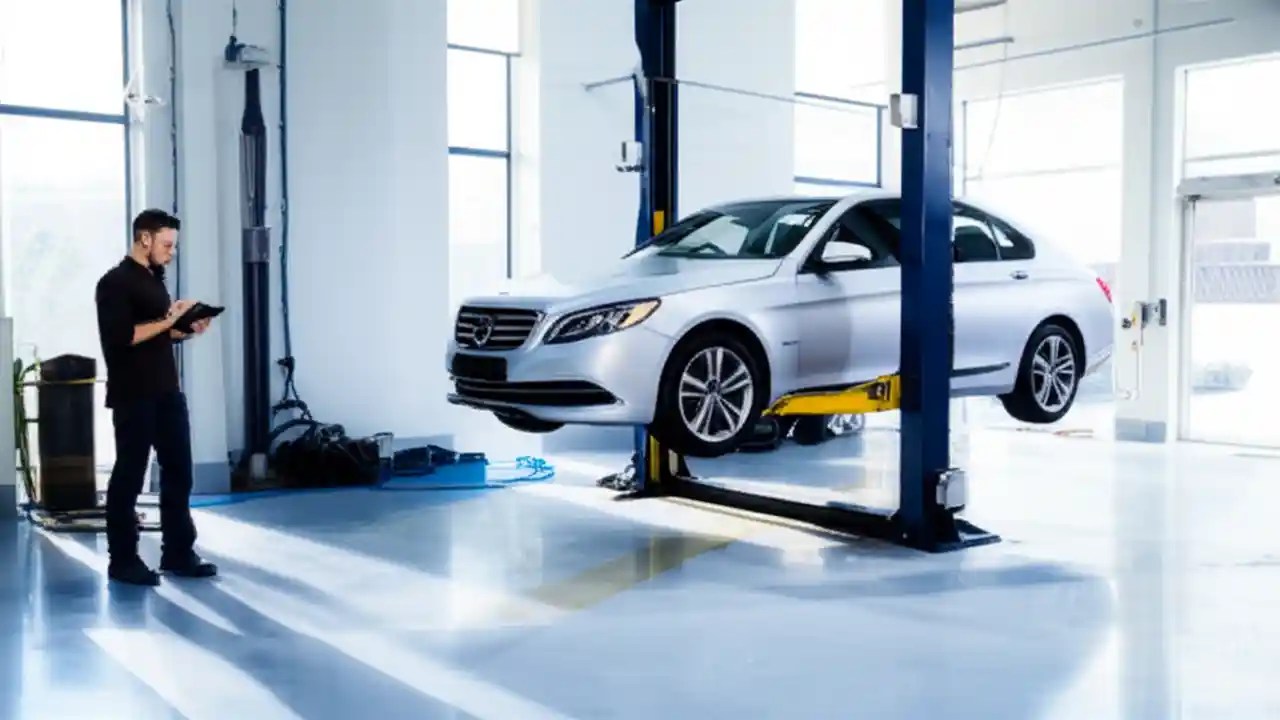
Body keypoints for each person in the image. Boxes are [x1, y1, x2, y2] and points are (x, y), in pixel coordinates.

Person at [95, 209, 218, 586]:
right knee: (129, 477)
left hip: (167, 391)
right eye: (167, 244)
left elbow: (158, 336)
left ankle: (178, 552)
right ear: (144, 239)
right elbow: (124, 337)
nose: (171, 252)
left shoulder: (154, 280)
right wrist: (170, 319)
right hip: (135, 395)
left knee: (179, 471)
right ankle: (123, 560)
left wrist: (188, 328)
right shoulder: (114, 283)